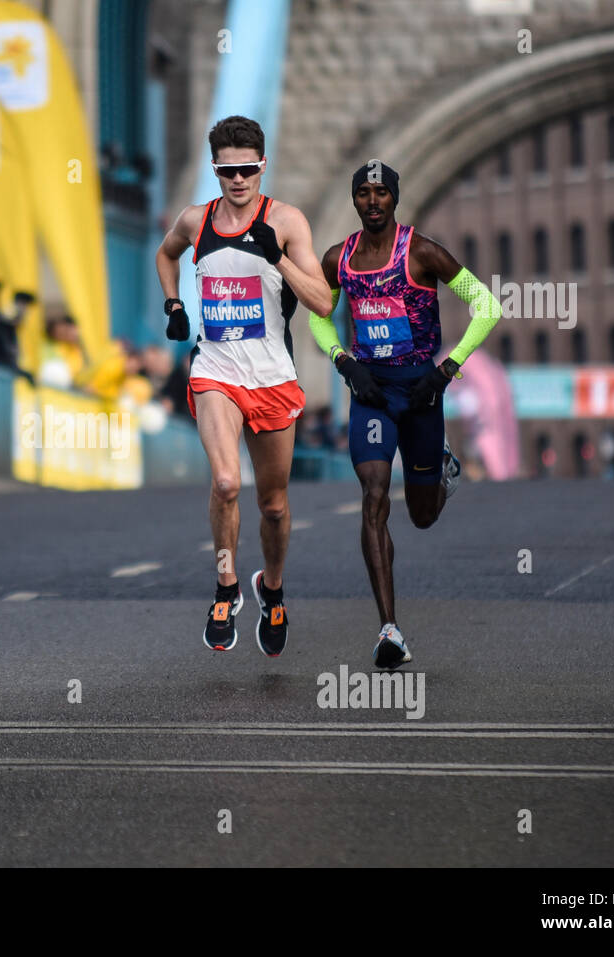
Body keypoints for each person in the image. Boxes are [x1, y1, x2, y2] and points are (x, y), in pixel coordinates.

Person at [306, 161, 501, 668]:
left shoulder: (422, 252)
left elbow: (487, 306)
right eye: (364, 194)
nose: (373, 202)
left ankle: (442, 469)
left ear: (395, 198)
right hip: (370, 391)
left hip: (421, 391)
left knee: (421, 514)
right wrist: (344, 363)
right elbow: (318, 319)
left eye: (381, 193)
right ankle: (388, 629)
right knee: (374, 494)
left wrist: (447, 369)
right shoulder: (338, 260)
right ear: (355, 201)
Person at [155, 115, 333, 656]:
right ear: (215, 169)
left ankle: (271, 589)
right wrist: (174, 304)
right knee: (228, 483)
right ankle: (226, 585)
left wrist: (272, 253)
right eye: (228, 170)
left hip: (273, 377)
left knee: (274, 505)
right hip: (216, 370)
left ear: (262, 165)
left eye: (247, 169)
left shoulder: (286, 221)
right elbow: (166, 254)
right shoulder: (195, 220)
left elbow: (324, 303)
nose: (238, 180)